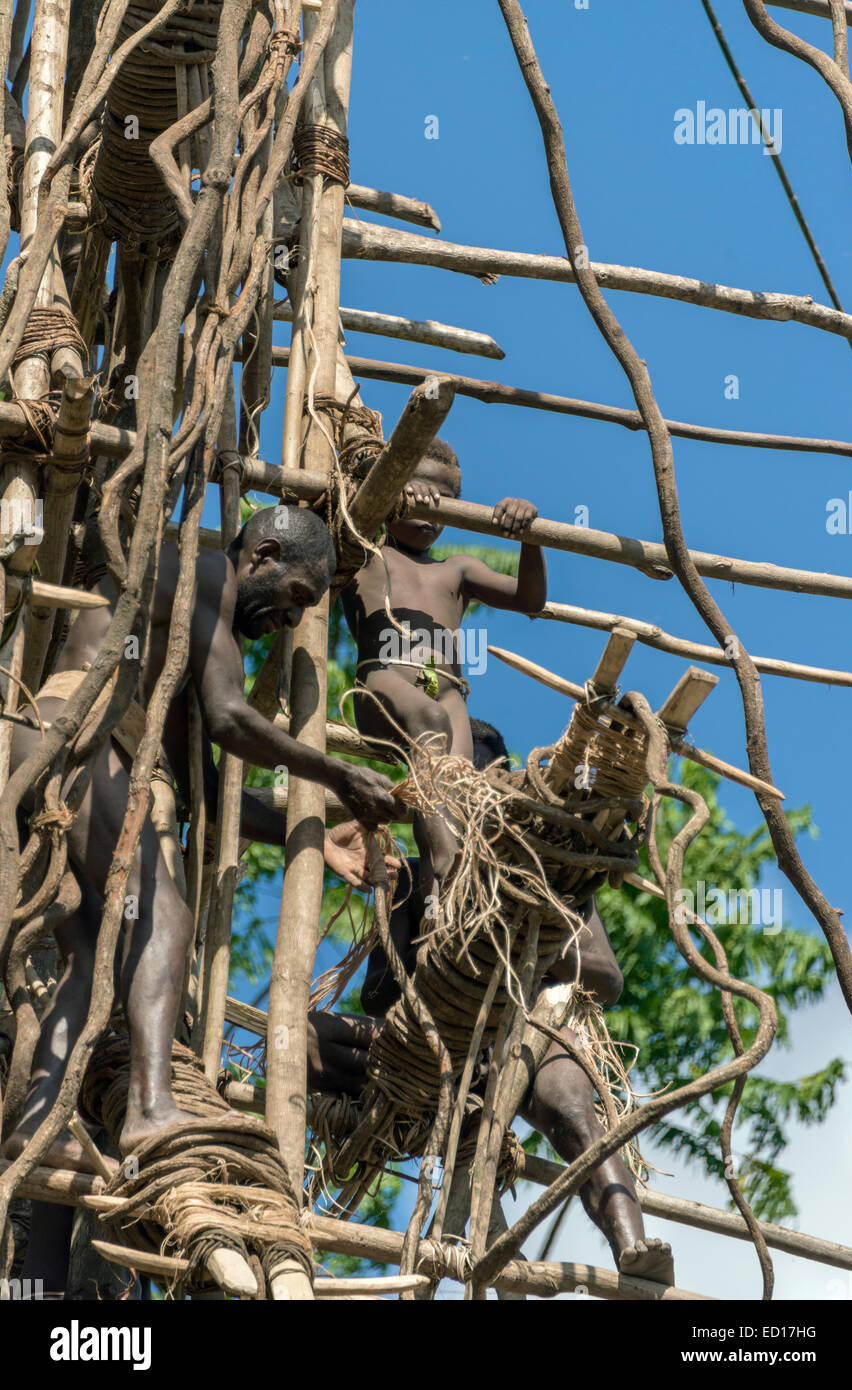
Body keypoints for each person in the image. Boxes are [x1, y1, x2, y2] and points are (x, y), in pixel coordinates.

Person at [2, 503, 403, 1174]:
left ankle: (33, 1126)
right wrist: (339, 773)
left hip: (41, 747)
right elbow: (228, 717)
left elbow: (209, 791)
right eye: (295, 596)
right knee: (164, 919)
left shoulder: (181, 631)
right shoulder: (207, 573)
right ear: (262, 555)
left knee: (91, 950)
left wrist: (316, 839)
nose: (291, 621)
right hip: (77, 739)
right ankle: (151, 1109)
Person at [358, 717, 675, 1285]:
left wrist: (520, 937)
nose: (468, 797)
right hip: (436, 1045)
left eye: (480, 778)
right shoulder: (411, 879)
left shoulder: (550, 874)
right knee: (327, 1045)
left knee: (571, 1108)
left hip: (531, 1025)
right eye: (453, 785)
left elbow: (605, 976)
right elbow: (377, 995)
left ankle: (633, 1244)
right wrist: (431, 954)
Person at [341, 437, 546, 912]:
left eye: (445, 502)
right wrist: (385, 488)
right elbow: (337, 509)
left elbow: (530, 600)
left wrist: (529, 533)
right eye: (418, 492)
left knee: (451, 791)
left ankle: (439, 905)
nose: (430, 510)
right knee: (430, 722)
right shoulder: (363, 551)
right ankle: (448, 866)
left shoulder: (457, 570)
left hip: (446, 690)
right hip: (384, 683)